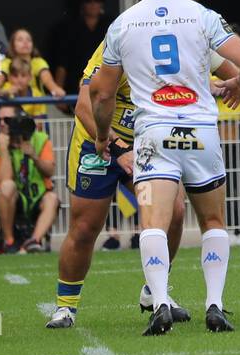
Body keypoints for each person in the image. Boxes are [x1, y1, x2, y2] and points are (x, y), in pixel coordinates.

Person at [90, 0, 240, 335]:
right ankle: (215, 305)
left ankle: (159, 304)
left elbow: (100, 92)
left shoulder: (123, 23)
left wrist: (104, 137)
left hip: (154, 134)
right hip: (201, 132)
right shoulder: (201, 15)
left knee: (153, 221)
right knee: (212, 220)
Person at [46, 34, 204, 328]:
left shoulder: (176, 45)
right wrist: (116, 146)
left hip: (143, 148)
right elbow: (83, 106)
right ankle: (65, 306)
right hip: (96, 144)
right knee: (85, 227)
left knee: (175, 212)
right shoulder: (120, 41)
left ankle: (155, 291)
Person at [0, 108, 59, 253]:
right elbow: (4, 179)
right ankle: (9, 242)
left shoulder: (40, 139)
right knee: (7, 186)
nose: (1, 124)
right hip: (14, 199)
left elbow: (50, 171)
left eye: (6, 120)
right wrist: (4, 149)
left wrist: (34, 156)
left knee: (52, 198)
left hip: (37, 195)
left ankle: (34, 241)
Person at [0, 28, 66, 116]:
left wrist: (54, 88)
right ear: (12, 45)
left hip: (37, 114)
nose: (25, 43)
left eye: (28, 40)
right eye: (20, 40)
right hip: (12, 114)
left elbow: (47, 79)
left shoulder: (38, 62)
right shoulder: (6, 62)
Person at [51, 0, 112, 93]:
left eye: (97, 0)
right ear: (82, 4)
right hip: (75, 87)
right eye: (88, 0)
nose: (93, 4)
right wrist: (58, 89)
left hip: (105, 85)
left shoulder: (110, 25)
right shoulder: (70, 28)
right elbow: (62, 61)